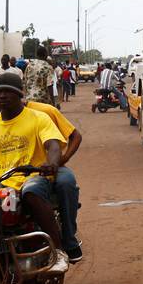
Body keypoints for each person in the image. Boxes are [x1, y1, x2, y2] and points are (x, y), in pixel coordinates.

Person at [0, 72, 69, 276]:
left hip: (34, 177)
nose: (2, 96)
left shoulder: (38, 118)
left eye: (8, 92)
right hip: (2, 184)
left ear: (20, 94)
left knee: (30, 192)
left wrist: (51, 164)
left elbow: (53, 145)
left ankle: (58, 251)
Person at [24, 98, 85, 263]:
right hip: (15, 173)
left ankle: (68, 239)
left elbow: (75, 136)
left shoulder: (46, 112)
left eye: (7, 91)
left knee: (66, 183)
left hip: (48, 169)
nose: (2, 97)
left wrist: (61, 160)